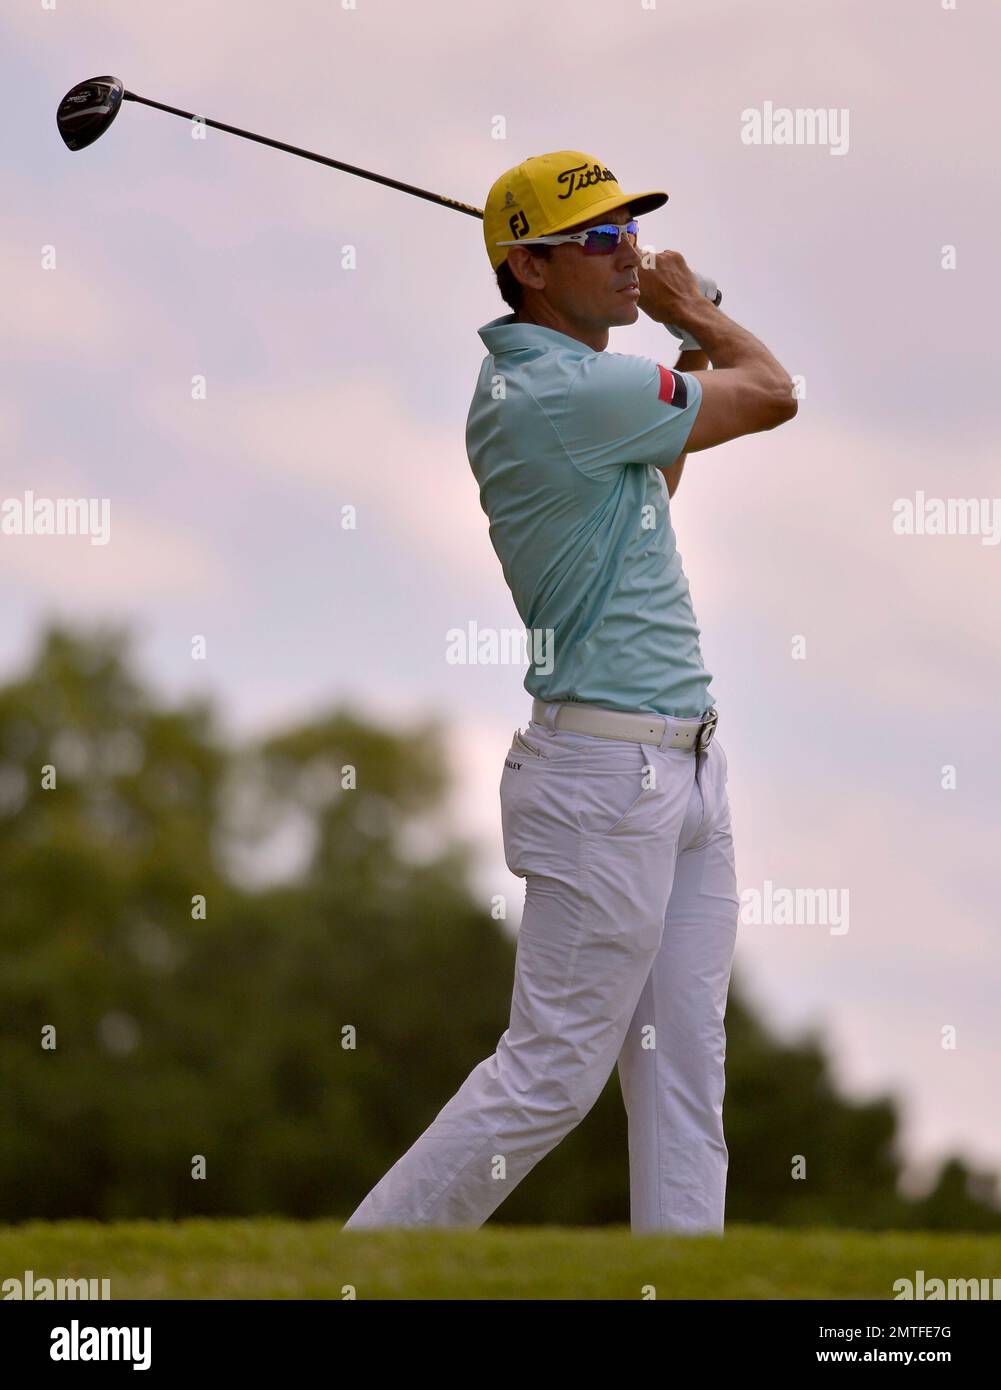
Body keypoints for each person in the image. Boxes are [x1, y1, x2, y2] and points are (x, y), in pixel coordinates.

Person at [342, 150, 797, 1234]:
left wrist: (683, 340)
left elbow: (659, 474)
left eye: (630, 233)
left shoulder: (576, 388)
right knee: (548, 1072)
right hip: (607, 777)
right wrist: (699, 314)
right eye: (601, 240)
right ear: (530, 269)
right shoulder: (551, 384)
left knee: (686, 1077)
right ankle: (352, 1271)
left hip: (679, 762)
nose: (628, 256)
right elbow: (773, 394)